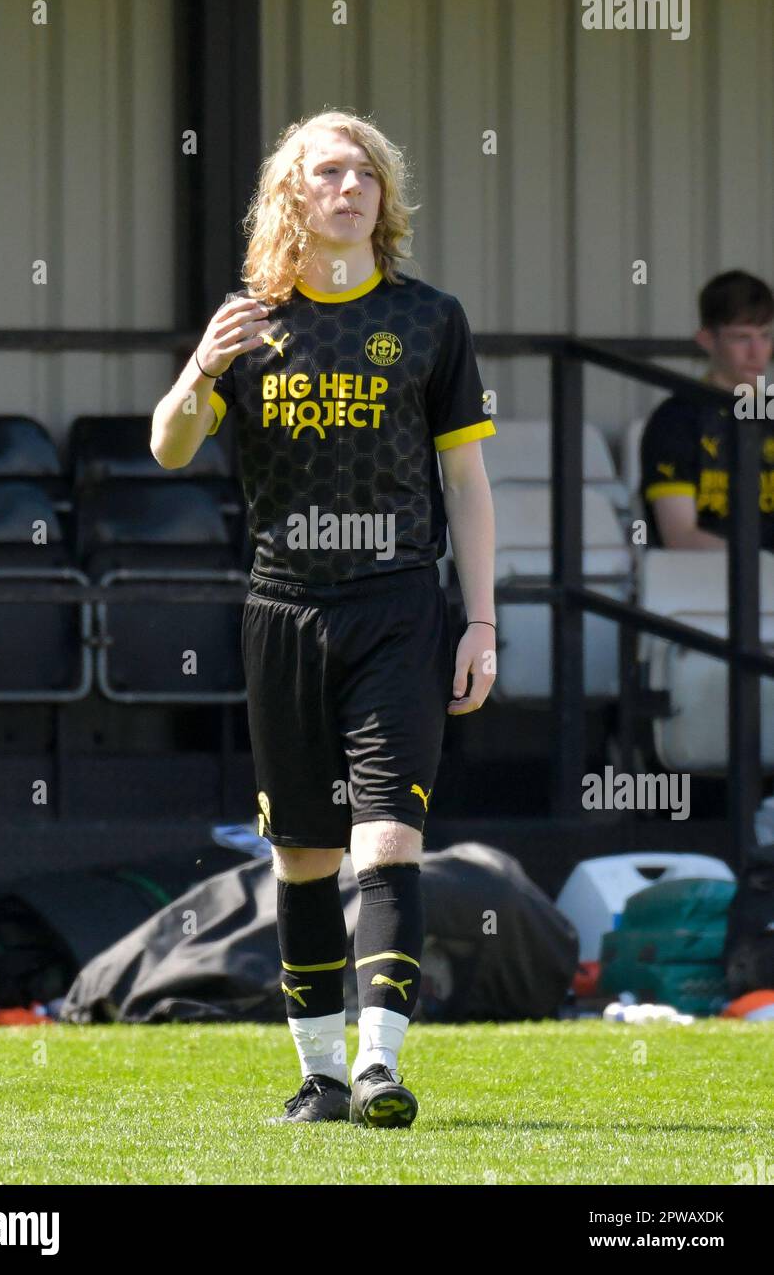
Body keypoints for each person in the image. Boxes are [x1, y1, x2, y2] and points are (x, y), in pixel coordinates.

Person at [151, 110, 496, 1127]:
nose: (348, 188)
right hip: (282, 608)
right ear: (292, 195)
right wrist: (199, 368)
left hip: (397, 605)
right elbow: (170, 448)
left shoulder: (430, 319)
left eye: (366, 175)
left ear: (383, 200)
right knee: (303, 852)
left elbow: (467, 484)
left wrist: (479, 623)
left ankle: (382, 1064)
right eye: (327, 172)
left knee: (388, 839)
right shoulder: (249, 322)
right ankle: (320, 1075)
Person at [640, 269, 774, 550]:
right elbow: (680, 537)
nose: (757, 352)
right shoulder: (675, 420)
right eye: (741, 338)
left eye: (765, 336)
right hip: (706, 581)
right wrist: (761, 565)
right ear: (706, 340)